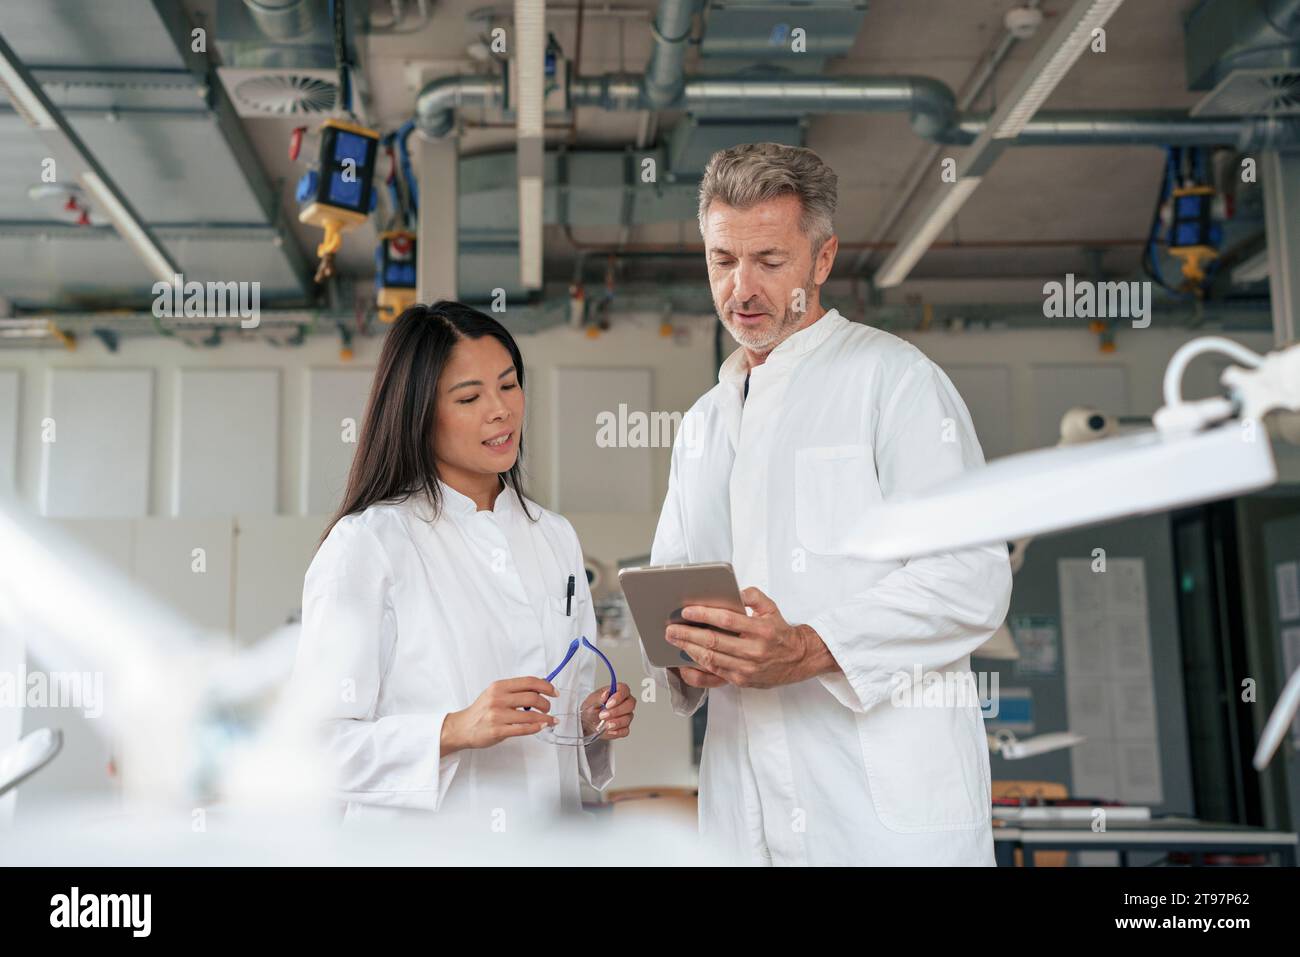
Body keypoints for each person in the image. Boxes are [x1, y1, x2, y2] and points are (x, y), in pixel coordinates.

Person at [644, 143, 1012, 865]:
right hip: (746, 812)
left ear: (822, 259)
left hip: (879, 816)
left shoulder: (896, 382)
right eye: (723, 260)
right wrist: (690, 660)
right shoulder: (703, 424)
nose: (742, 289)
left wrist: (810, 647)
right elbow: (670, 594)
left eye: (770, 261)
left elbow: (972, 578)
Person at [293, 301, 635, 828]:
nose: (500, 410)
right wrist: (453, 729)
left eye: (509, 384)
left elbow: (561, 712)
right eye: (470, 397)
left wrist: (588, 721)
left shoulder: (555, 537)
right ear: (419, 414)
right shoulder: (369, 543)